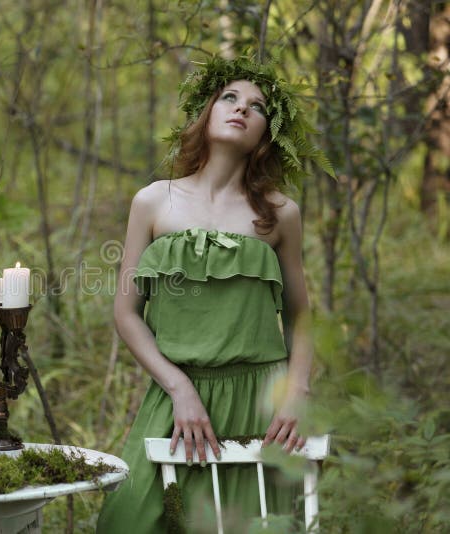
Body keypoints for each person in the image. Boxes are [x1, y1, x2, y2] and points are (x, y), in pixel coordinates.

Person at [97, 56, 331, 533]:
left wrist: (298, 391)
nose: (241, 109)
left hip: (259, 401)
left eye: (257, 106)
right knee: (127, 521)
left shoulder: (281, 214)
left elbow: (301, 315)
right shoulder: (153, 201)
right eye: (230, 98)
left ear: (266, 135)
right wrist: (179, 388)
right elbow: (126, 313)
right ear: (206, 112)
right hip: (177, 393)